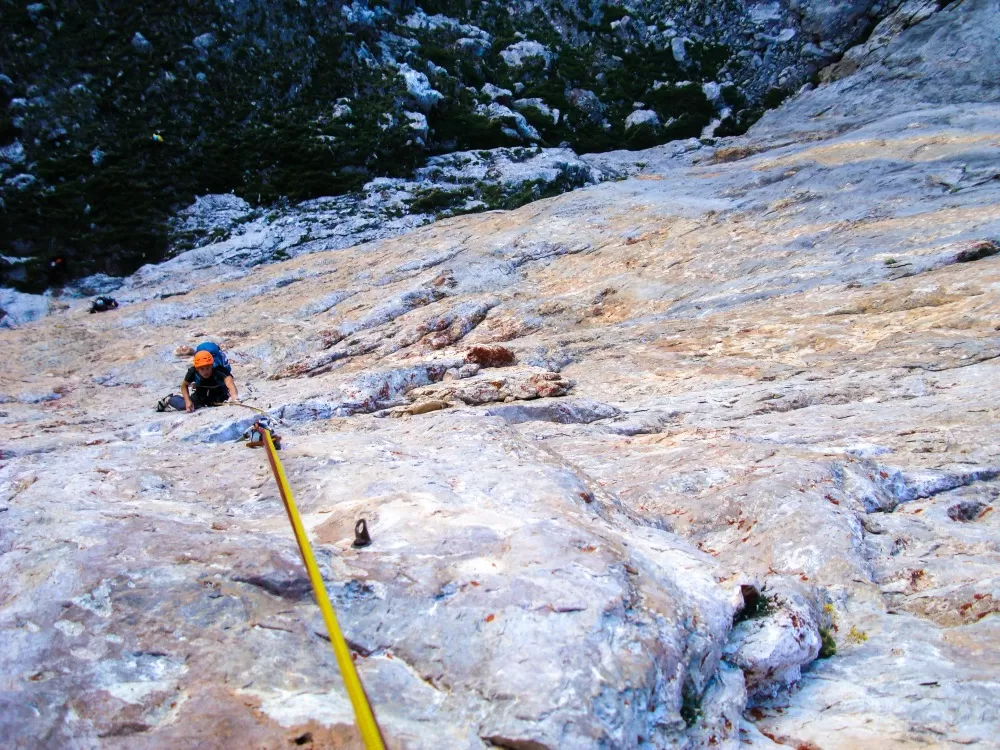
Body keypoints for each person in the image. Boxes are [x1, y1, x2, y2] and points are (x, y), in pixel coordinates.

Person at [159, 348, 237, 412]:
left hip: (219, 396)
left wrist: (234, 398)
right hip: (200, 396)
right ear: (197, 368)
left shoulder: (219, 370)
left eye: (207, 368)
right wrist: (187, 401)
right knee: (182, 406)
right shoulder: (193, 371)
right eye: (202, 369)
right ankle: (169, 399)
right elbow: (184, 386)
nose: (205, 372)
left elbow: (230, 383)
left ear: (212, 366)